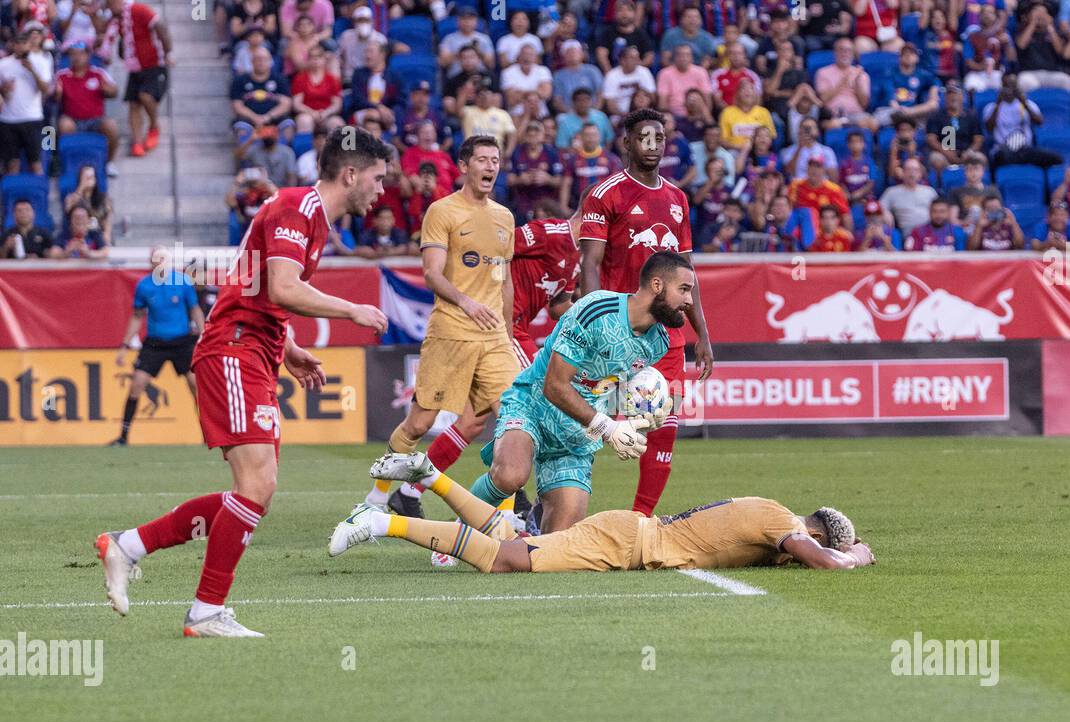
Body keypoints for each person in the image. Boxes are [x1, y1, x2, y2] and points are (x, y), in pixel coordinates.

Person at [95, 127, 390, 637]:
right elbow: (281, 286)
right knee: (256, 486)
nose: (382, 190)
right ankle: (205, 610)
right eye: (378, 178)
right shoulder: (298, 210)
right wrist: (351, 310)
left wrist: (290, 349)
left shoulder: (310, 219)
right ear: (350, 174)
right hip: (233, 350)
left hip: (255, 351)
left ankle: (129, 546)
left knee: (254, 493)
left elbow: (255, 286)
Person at [417, 253, 690, 539]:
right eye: (684, 290)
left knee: (556, 545)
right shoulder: (597, 310)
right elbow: (555, 386)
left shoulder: (658, 342)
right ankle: (457, 533)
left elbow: (613, 390)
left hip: (576, 437)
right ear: (657, 285)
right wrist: (608, 429)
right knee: (510, 476)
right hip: (533, 407)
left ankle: (528, 528)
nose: (690, 301)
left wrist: (638, 418)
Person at [332, 452, 875, 572]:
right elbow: (823, 563)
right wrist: (855, 557)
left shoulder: (767, 512)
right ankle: (380, 522)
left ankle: (430, 475)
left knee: (512, 532)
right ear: (817, 530)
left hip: (629, 535)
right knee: (505, 559)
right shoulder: (783, 522)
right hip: (624, 543)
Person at [361, 136, 518, 519]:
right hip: (451, 331)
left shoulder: (504, 218)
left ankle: (504, 512)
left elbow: (504, 278)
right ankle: (378, 498)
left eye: (495, 160)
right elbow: (431, 274)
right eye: (482, 160)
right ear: (464, 166)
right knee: (420, 422)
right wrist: (466, 302)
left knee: (517, 417)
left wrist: (509, 334)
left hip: (493, 337)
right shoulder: (442, 211)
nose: (490, 167)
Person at [580, 108, 715, 517]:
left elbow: (687, 276)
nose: (653, 146)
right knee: (583, 427)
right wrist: (591, 324)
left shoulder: (677, 199)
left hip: (667, 335)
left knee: (665, 424)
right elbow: (590, 264)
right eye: (644, 138)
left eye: (659, 138)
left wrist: (702, 336)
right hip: (615, 332)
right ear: (627, 143)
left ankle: (642, 519)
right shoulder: (605, 195)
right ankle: (556, 508)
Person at [109, 245, 205, 446]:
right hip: (155, 343)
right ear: (150, 262)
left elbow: (195, 310)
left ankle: (209, 435)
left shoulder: (183, 282)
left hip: (182, 342)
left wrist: (204, 335)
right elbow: (137, 317)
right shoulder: (144, 286)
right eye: (155, 258)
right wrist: (124, 346)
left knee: (196, 386)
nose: (158, 262)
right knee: (136, 384)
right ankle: (123, 437)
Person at [105, 0, 172, 158]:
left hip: (153, 63)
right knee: (133, 104)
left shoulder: (138, 9)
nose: (108, 8)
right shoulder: (118, 19)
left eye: (110, 4)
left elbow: (160, 26)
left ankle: (154, 126)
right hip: (135, 66)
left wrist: (168, 52)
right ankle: (137, 141)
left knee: (145, 96)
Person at [55, 41, 120, 176]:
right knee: (60, 127)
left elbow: (114, 91)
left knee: (111, 126)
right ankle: (64, 163)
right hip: (72, 119)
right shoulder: (61, 75)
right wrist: (57, 93)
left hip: (96, 120)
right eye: (73, 54)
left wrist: (108, 90)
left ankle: (109, 163)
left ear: (87, 55)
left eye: (80, 54)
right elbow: (53, 99)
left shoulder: (98, 73)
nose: (76, 57)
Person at [0, 24, 54, 175]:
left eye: (24, 43)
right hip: (8, 120)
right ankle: (12, 196)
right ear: (12, 44)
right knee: (12, 165)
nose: (20, 46)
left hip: (32, 118)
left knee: (36, 164)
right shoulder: (3, 64)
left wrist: (32, 70)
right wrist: (3, 90)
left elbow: (45, 89)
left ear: (29, 44)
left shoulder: (41, 62)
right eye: (17, 43)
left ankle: (39, 194)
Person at [879, 157, 939, 236]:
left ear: (920, 174)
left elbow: (941, 209)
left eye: (915, 170)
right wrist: (885, 212)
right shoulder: (892, 192)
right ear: (903, 172)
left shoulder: (930, 191)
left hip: (930, 234)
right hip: (908, 235)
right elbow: (878, 208)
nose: (912, 173)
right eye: (908, 169)